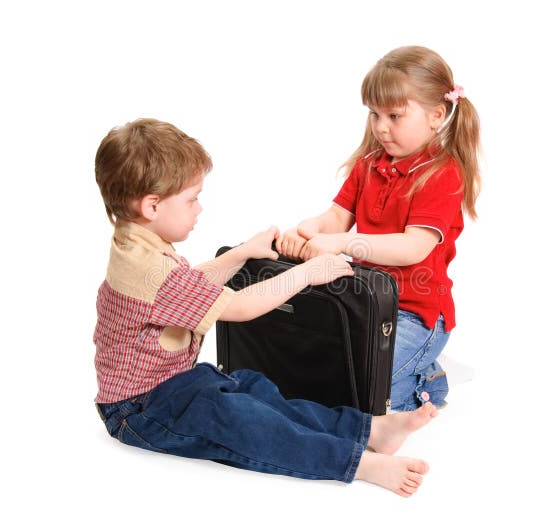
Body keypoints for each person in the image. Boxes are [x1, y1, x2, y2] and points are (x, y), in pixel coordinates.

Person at [92, 118, 439, 497]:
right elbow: (239, 307)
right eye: (191, 199)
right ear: (152, 205)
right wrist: (307, 273)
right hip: (140, 410)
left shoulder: (138, 246)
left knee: (256, 389)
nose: (200, 208)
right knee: (248, 423)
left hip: (174, 385)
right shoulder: (148, 270)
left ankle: (369, 429)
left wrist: (241, 253)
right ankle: (357, 462)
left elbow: (191, 285)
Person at [277, 46, 481, 412]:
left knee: (372, 402)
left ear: (436, 115)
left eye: (394, 115)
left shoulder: (442, 175)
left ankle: (430, 379)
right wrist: (310, 228)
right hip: (365, 301)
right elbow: (337, 215)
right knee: (326, 374)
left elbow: (412, 248)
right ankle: (414, 365)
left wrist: (340, 242)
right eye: (374, 114)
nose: (381, 127)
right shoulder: (369, 165)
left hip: (414, 314)